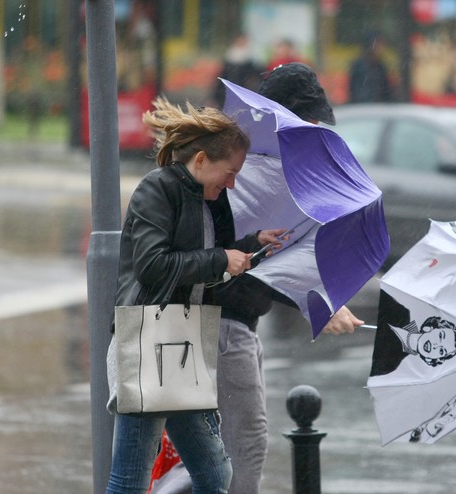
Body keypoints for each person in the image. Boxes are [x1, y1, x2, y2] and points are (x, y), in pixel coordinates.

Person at [148, 63, 362, 494]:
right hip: (222, 329)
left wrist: (325, 298)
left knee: (208, 457)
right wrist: (320, 303)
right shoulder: (259, 174)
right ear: (286, 118)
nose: (316, 127)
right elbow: (252, 263)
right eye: (309, 118)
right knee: (242, 449)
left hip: (217, 325)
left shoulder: (252, 166)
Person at [105, 96, 287, 494]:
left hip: (181, 346)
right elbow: (153, 266)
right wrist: (220, 257)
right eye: (231, 172)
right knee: (129, 479)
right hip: (149, 341)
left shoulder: (210, 201)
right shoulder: (158, 189)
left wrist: (249, 249)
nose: (233, 183)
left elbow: (204, 267)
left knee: (215, 473)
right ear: (202, 160)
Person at [212, 33, 262, 108]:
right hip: (227, 93)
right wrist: (215, 96)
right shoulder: (229, 58)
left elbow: (255, 79)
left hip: (243, 94)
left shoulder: (250, 61)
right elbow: (221, 78)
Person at [348, 31, 393, 103]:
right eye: (378, 44)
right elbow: (357, 92)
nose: (381, 48)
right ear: (370, 45)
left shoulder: (380, 66)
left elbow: (386, 92)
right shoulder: (358, 67)